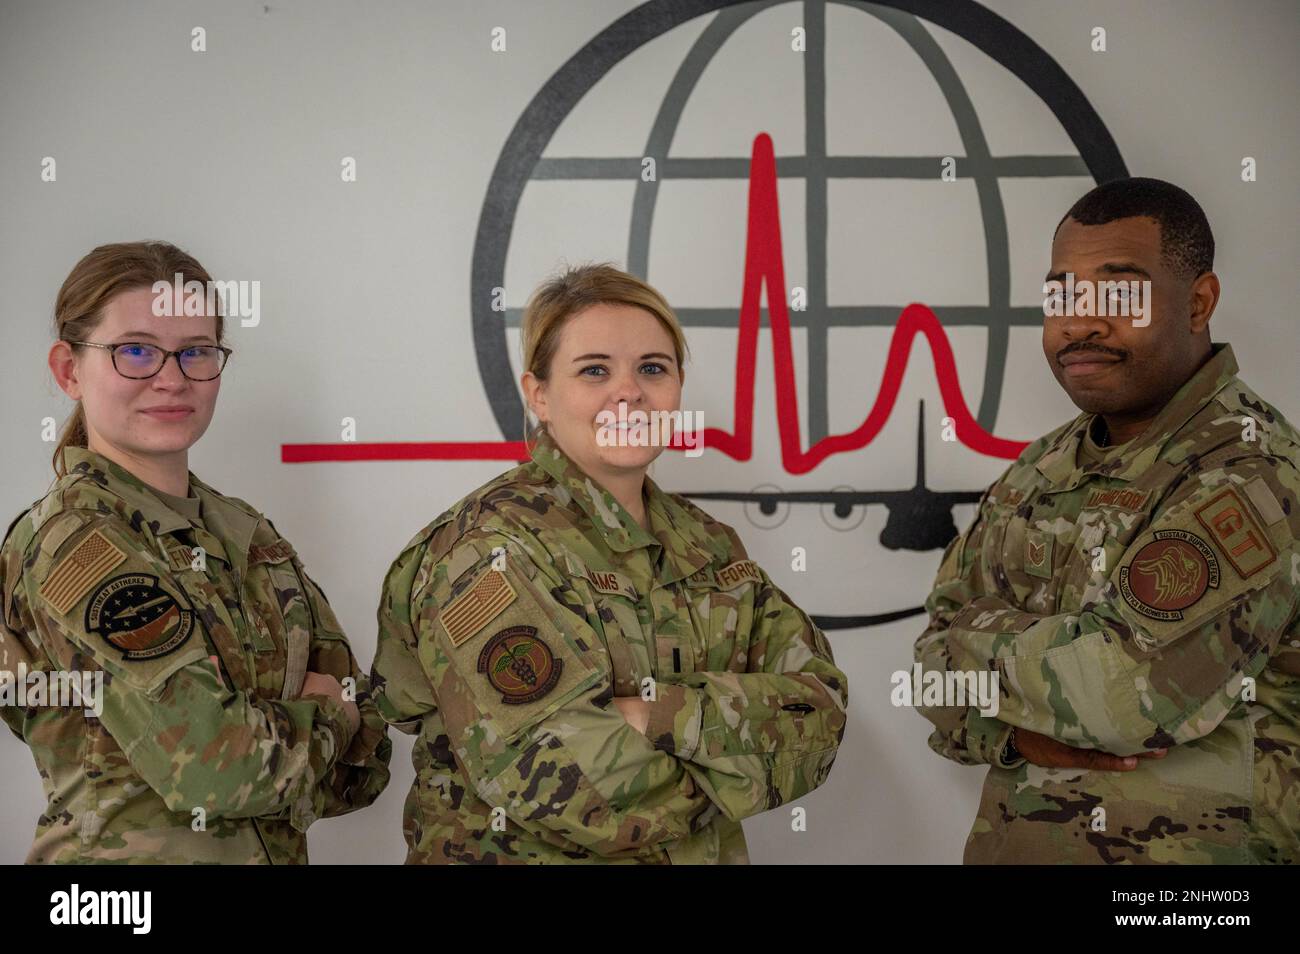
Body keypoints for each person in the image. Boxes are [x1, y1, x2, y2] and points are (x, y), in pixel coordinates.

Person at [372, 264, 848, 864]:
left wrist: (653, 715)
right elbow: (567, 786)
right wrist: (737, 772)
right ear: (538, 394)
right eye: (595, 369)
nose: (629, 392)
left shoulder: (708, 543)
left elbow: (821, 708)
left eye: (653, 368)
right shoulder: (485, 548)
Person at [914, 178, 1299, 864]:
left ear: (1200, 302)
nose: (1080, 322)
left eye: (1118, 293)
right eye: (1062, 294)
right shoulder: (1041, 468)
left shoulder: (1249, 474)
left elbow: (1119, 699)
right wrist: (1009, 732)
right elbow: (925, 674)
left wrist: (974, 639)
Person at [0, 241, 391, 863]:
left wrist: (300, 731)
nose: (172, 378)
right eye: (135, 351)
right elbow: (220, 771)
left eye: (196, 352)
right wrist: (327, 715)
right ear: (68, 370)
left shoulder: (247, 537)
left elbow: (366, 769)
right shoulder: (78, 546)